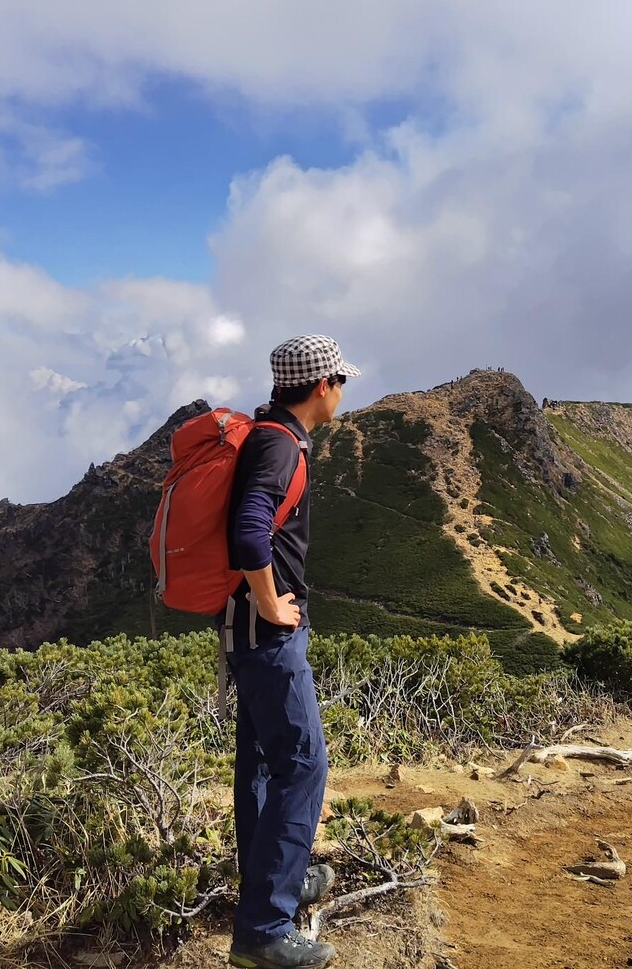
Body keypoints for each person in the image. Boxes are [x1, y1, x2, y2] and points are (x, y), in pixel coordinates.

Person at [224, 334, 360, 969]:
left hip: (246, 629)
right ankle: (264, 932)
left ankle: (273, 882)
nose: (342, 393)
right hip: (265, 633)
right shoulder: (280, 446)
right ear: (320, 386)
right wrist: (274, 603)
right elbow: (250, 532)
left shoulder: (270, 433)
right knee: (303, 764)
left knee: (261, 762)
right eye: (340, 382)